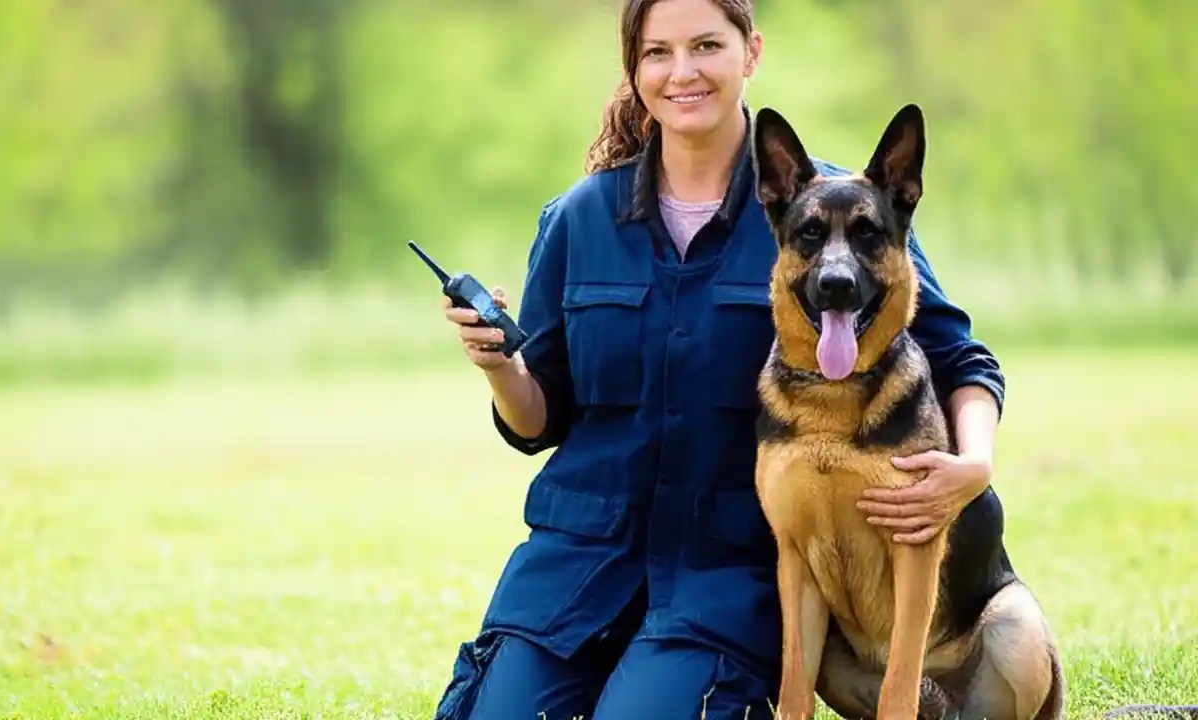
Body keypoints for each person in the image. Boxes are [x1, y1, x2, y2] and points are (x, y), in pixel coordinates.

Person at [431, 0, 1006, 718]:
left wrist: (972, 465)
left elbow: (960, 358)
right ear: (634, 69)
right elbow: (538, 418)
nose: (683, 72)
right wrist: (498, 368)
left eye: (707, 45)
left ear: (751, 52)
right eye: (658, 53)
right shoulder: (577, 218)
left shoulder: (833, 209)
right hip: (575, 573)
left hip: (720, 583)